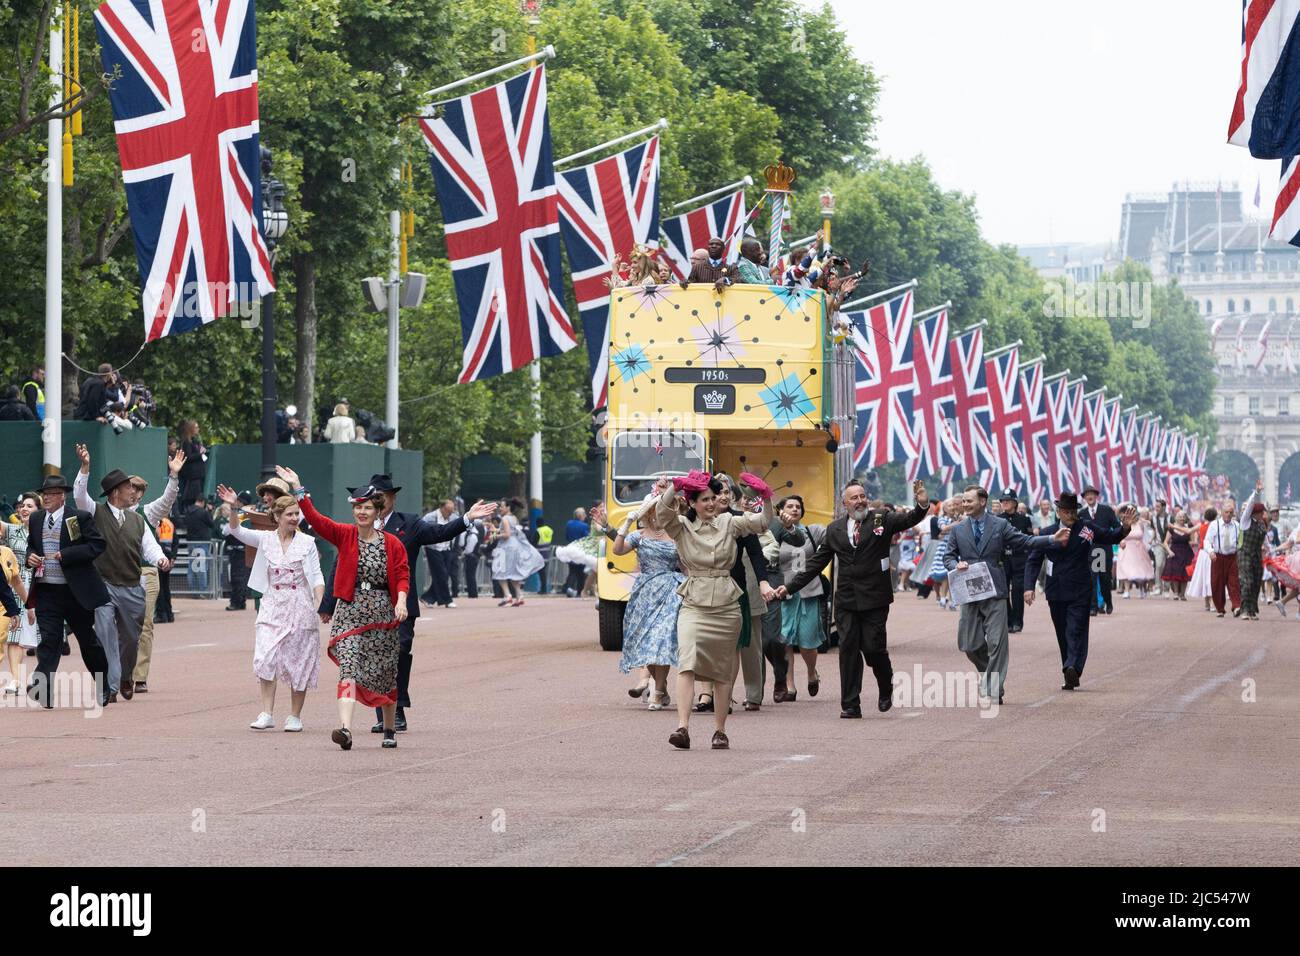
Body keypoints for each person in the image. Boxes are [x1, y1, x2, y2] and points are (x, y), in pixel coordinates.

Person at [315, 473, 492, 733]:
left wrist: (466, 519)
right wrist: (328, 604)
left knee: (397, 653)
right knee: (366, 658)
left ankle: (396, 709)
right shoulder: (354, 529)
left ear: (391, 499)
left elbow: (440, 533)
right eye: (366, 501)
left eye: (380, 497)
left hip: (399, 603)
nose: (374, 502)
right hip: (361, 605)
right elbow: (340, 566)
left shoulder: (409, 523)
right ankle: (380, 715)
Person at [280, 468, 410, 750]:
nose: (361, 513)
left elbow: (401, 574)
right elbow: (315, 520)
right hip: (350, 613)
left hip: (382, 615)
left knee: (384, 673)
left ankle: (389, 728)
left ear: (376, 511)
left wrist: (400, 601)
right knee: (348, 668)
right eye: (357, 508)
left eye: (366, 508)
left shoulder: (393, 543)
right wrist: (298, 489)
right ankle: (345, 729)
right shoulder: (345, 535)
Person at [777, 480, 928, 717]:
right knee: (848, 650)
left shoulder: (881, 518)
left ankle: (886, 685)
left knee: (873, 649)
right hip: (846, 600)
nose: (860, 501)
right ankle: (850, 704)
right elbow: (816, 563)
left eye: (862, 496)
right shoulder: (835, 529)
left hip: (875, 599)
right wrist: (789, 588)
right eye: (854, 498)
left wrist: (921, 503)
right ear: (844, 503)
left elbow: (909, 520)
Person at [657, 471, 774, 750]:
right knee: (687, 662)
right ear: (693, 503)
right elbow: (662, 514)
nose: (712, 503)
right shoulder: (681, 526)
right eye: (705, 499)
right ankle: (682, 728)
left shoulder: (729, 522)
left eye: (714, 498)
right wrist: (674, 487)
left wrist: (765, 497)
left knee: (722, 671)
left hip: (726, 603)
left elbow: (762, 522)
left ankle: (720, 730)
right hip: (693, 603)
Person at [942, 486, 1066, 703]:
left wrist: (1051, 539)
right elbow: (948, 557)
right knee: (969, 645)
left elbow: (1025, 541)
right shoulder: (958, 530)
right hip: (969, 590)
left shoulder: (999, 525)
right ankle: (991, 674)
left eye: (969, 501)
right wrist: (955, 563)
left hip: (995, 590)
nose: (965, 505)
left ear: (983, 501)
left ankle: (993, 688)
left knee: (998, 642)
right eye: (963, 501)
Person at [217, 485, 324, 732]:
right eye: (289, 514)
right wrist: (234, 507)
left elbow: (317, 577)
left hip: (300, 606)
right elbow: (235, 529)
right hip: (272, 605)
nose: (294, 518)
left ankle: (295, 715)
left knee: (299, 661)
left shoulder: (307, 543)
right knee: (265, 656)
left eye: (296, 514)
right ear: (276, 517)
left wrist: (319, 601)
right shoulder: (265, 539)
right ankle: (267, 712)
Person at [72, 448, 171, 701]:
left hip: (131, 586)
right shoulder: (95, 512)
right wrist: (85, 468)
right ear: (116, 492)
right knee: (105, 634)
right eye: (129, 487)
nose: (133, 492)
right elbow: (80, 496)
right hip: (103, 585)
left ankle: (126, 675)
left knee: (130, 639)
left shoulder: (137, 520)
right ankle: (109, 687)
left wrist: (159, 558)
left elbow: (149, 545)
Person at [1024, 492, 1136, 690]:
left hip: (1081, 589)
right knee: (1062, 632)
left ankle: (1073, 667)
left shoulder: (1087, 528)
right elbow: (1034, 560)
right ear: (1059, 512)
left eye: (1074, 511)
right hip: (1055, 590)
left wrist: (1125, 527)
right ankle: (1069, 667)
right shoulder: (1047, 533)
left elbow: (1110, 537)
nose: (1071, 515)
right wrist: (1028, 587)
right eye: (1067, 512)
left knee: (1076, 629)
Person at [24, 474, 112, 708]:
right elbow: (32, 545)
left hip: (75, 592)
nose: (46, 498)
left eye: (51, 495)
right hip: (46, 592)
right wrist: (29, 557)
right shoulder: (36, 519)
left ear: (62, 496)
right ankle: (44, 690)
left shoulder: (79, 517)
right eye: (44, 494)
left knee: (88, 642)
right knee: (49, 642)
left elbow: (97, 545)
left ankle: (104, 685)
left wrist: (68, 555)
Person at [611, 490, 682, 710]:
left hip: (670, 589)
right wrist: (626, 524)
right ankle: (661, 686)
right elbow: (618, 549)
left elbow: (687, 565)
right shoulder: (639, 536)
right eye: (654, 510)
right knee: (647, 643)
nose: (658, 514)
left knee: (662, 639)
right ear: (649, 512)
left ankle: (658, 692)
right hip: (645, 593)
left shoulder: (677, 535)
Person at [772, 495, 826, 702]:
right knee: (783, 640)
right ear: (780, 510)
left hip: (808, 594)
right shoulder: (774, 533)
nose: (794, 509)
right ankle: (789, 685)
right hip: (782, 594)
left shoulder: (813, 532)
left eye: (798, 506)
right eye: (789, 506)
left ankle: (812, 672)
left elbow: (838, 533)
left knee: (807, 642)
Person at [1, 492, 41, 690]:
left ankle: (43, 676)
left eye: (30, 506)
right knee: (14, 635)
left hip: (42, 585)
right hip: (17, 588)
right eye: (22, 506)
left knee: (45, 636)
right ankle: (16, 680)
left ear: (39, 511)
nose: (24, 509)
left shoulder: (45, 532)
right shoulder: (11, 531)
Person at [491, 500, 545, 607]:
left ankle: (507, 596)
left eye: (501, 506)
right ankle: (519, 596)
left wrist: (494, 535)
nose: (500, 509)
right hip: (515, 547)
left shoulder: (505, 519)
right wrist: (497, 531)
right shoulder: (514, 518)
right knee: (513, 573)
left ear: (508, 507)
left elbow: (507, 534)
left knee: (499, 571)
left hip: (506, 548)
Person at [999, 489, 1033, 632]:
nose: (1005, 503)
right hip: (1003, 559)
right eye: (1003, 500)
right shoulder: (997, 519)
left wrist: (1030, 558)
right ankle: (1008, 620)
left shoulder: (1024, 519)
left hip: (1019, 558)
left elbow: (1029, 539)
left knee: (1018, 591)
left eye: (1008, 500)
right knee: (1004, 590)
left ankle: (1018, 621)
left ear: (1015, 502)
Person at [1080, 485, 1117, 615]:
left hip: (1104, 550)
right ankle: (1093, 607)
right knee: (1091, 579)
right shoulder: (1081, 514)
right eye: (1087, 495)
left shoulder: (1106, 510)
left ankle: (1108, 602)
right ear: (1084, 498)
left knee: (1105, 579)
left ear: (1096, 496)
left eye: (1092, 494)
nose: (1089, 497)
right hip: (1089, 551)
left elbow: (1116, 527)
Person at [1206, 501, 1243, 618]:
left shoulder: (1237, 525)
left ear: (1233, 514)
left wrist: (1240, 551)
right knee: (1217, 583)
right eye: (1226, 512)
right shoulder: (1214, 525)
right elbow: (1207, 541)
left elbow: (1240, 541)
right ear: (1221, 512)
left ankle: (1237, 606)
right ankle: (1220, 608)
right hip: (1218, 557)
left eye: (1230, 512)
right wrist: (1210, 551)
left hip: (1232, 557)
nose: (1228, 514)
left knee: (1234, 582)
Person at [420, 499, 460, 609]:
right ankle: (447, 600)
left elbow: (461, 524)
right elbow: (421, 529)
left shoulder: (453, 517)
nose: (450, 513)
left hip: (446, 549)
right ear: (442, 508)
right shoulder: (430, 517)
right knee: (441, 574)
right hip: (433, 549)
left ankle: (428, 598)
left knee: (444, 574)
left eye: (452, 511)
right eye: (448, 511)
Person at [1115, 508, 1156, 599]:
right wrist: (1120, 542)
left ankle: (1142, 589)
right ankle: (1126, 591)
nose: (1131, 516)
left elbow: (1146, 533)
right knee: (1126, 569)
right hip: (1126, 549)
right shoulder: (1123, 524)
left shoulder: (1140, 524)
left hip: (1139, 549)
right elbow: (1119, 535)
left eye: (1133, 513)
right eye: (1129, 513)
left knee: (1141, 571)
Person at [1238, 502, 1269, 621]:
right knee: (1247, 582)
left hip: (1256, 556)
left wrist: (1271, 551)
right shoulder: (1245, 521)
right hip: (1245, 554)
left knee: (1256, 582)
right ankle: (1244, 610)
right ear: (1255, 513)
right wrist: (1256, 492)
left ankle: (1252, 609)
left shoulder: (1262, 524)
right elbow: (1249, 507)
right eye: (1262, 512)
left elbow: (1265, 542)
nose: (1263, 514)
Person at [183, 495, 217, 595]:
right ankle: (202, 591)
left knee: (192, 566)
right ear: (202, 502)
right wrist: (209, 512)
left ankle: (193, 591)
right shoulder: (203, 512)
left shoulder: (187, 511)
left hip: (191, 542)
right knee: (201, 567)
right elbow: (212, 524)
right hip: (202, 542)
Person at [1161, 511, 1196, 601]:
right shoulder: (1172, 528)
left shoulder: (1189, 528)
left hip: (1186, 552)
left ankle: (1182, 594)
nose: (1182, 518)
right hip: (1174, 552)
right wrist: (1169, 551)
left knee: (1185, 573)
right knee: (1175, 573)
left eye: (1183, 517)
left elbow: (1193, 541)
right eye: (1180, 517)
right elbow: (1165, 542)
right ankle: (1176, 593)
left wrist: (1191, 543)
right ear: (1176, 518)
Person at [559, 508, 593, 597]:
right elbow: (586, 539)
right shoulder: (584, 526)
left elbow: (566, 536)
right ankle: (579, 591)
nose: (585, 516)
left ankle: (567, 589)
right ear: (580, 516)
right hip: (580, 551)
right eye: (584, 514)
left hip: (570, 550)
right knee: (580, 573)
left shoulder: (569, 524)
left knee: (572, 571)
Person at [1187, 506, 1216, 610]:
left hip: (1203, 553)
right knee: (1211, 577)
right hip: (1212, 552)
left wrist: (1174, 527)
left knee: (1204, 577)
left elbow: (1188, 531)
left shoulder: (1201, 525)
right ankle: (1212, 603)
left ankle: (1207, 604)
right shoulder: (1216, 525)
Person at [177, 420, 208, 504]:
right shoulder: (187, 443)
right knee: (192, 498)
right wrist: (199, 453)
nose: (198, 429)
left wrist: (201, 451)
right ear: (191, 429)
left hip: (199, 475)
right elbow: (188, 457)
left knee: (199, 496)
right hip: (192, 476)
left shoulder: (195, 441)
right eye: (196, 427)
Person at [1150, 499, 1170, 595]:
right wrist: (1151, 539)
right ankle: (1158, 586)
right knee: (1158, 565)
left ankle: (1166, 588)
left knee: (1167, 566)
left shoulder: (1170, 518)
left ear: (1163, 507)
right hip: (1158, 544)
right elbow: (1155, 530)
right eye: (1156, 506)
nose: (1156, 508)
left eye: (1158, 506)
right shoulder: (1153, 518)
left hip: (1169, 545)